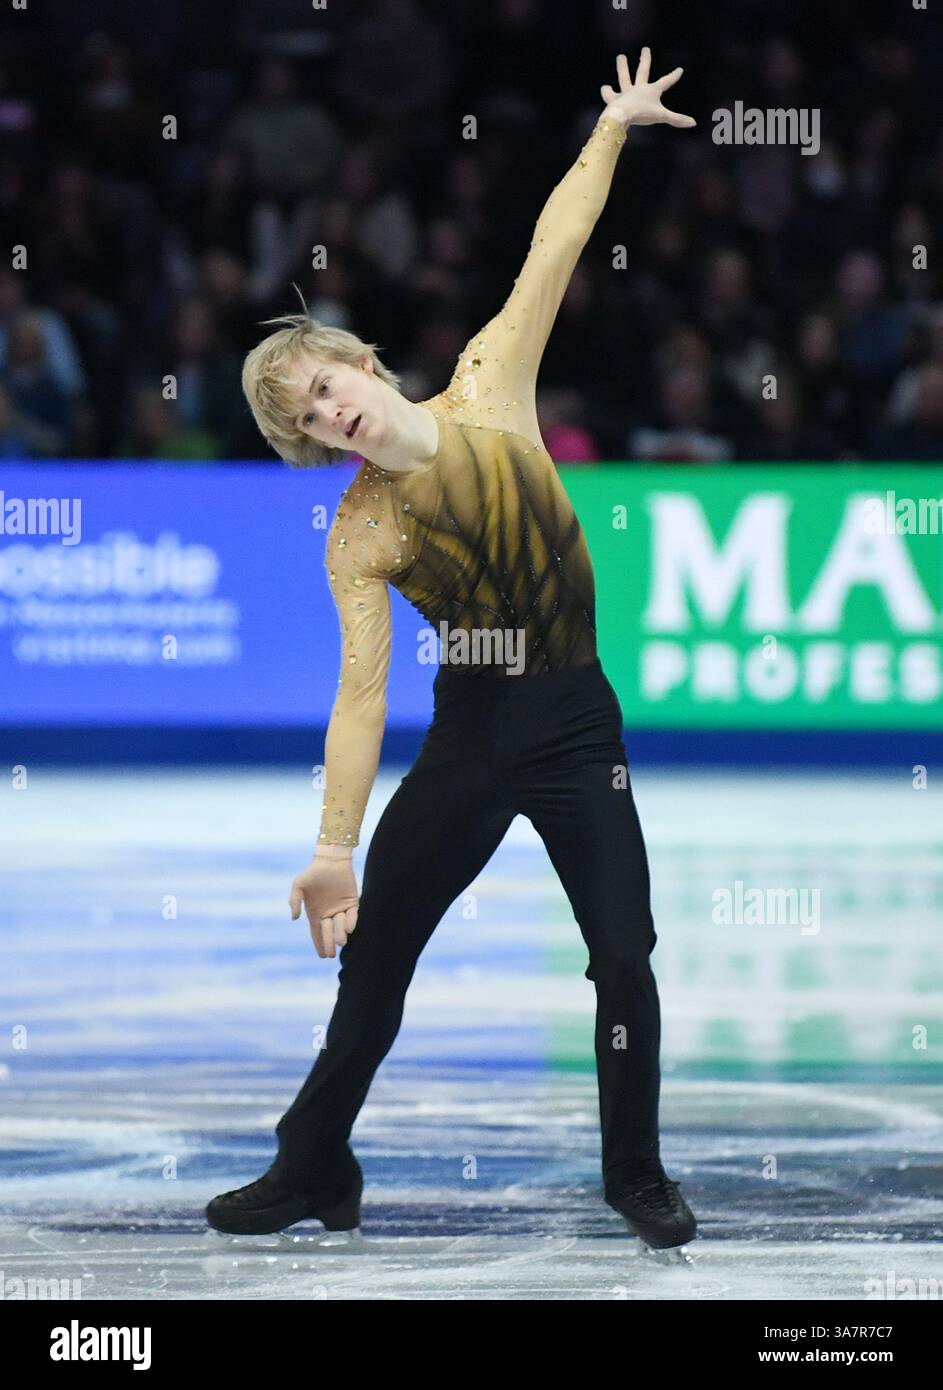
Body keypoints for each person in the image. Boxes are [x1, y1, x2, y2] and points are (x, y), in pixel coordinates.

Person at [208, 51, 699, 1258]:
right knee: (374, 961)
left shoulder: (493, 384)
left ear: (361, 361)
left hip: (578, 724)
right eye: (313, 422)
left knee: (624, 955)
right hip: (472, 738)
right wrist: (333, 848)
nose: (335, 415)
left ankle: (633, 1174)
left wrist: (610, 133)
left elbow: (554, 244)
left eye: (328, 387)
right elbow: (359, 699)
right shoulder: (359, 535)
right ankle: (313, 1163)